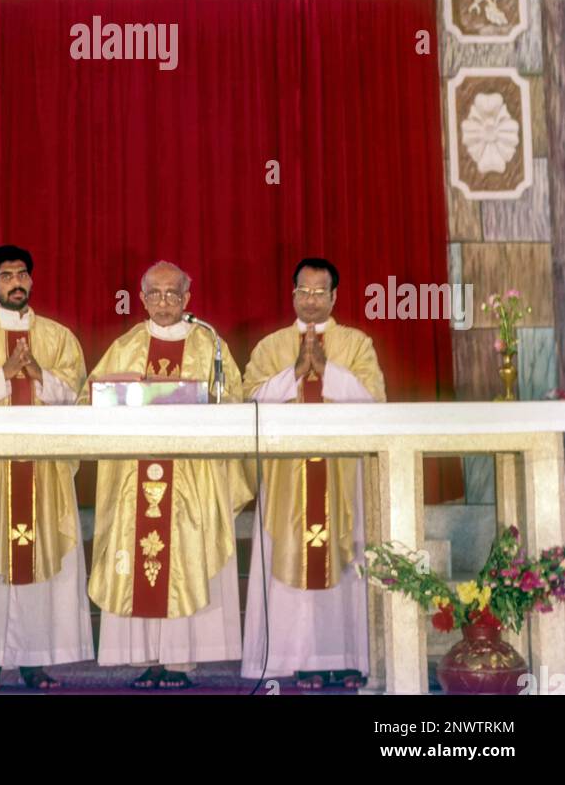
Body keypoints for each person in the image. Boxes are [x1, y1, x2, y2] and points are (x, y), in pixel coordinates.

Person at [84, 260, 250, 689]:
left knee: (186, 557)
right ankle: (144, 658)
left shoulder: (209, 343)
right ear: (141, 299)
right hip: (134, 474)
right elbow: (91, 396)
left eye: (172, 294)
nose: (163, 302)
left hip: (192, 479)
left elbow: (233, 399)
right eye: (154, 294)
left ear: (187, 299)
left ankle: (182, 661)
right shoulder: (125, 346)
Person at [0, 244, 94, 690]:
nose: (16, 282)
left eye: (22, 274)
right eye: (6, 276)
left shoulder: (60, 338)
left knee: (41, 565)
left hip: (41, 470)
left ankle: (35, 660)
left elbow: (80, 398)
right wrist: (3, 374)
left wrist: (39, 375)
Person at [241, 257, 386, 688]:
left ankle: (345, 656)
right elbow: (247, 399)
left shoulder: (357, 344)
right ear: (292, 295)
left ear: (335, 296)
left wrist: (329, 371)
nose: (310, 301)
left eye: (319, 293)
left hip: (341, 476)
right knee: (288, 563)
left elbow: (374, 400)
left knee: (344, 565)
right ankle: (291, 658)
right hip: (288, 475)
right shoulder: (271, 347)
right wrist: (294, 374)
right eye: (303, 292)